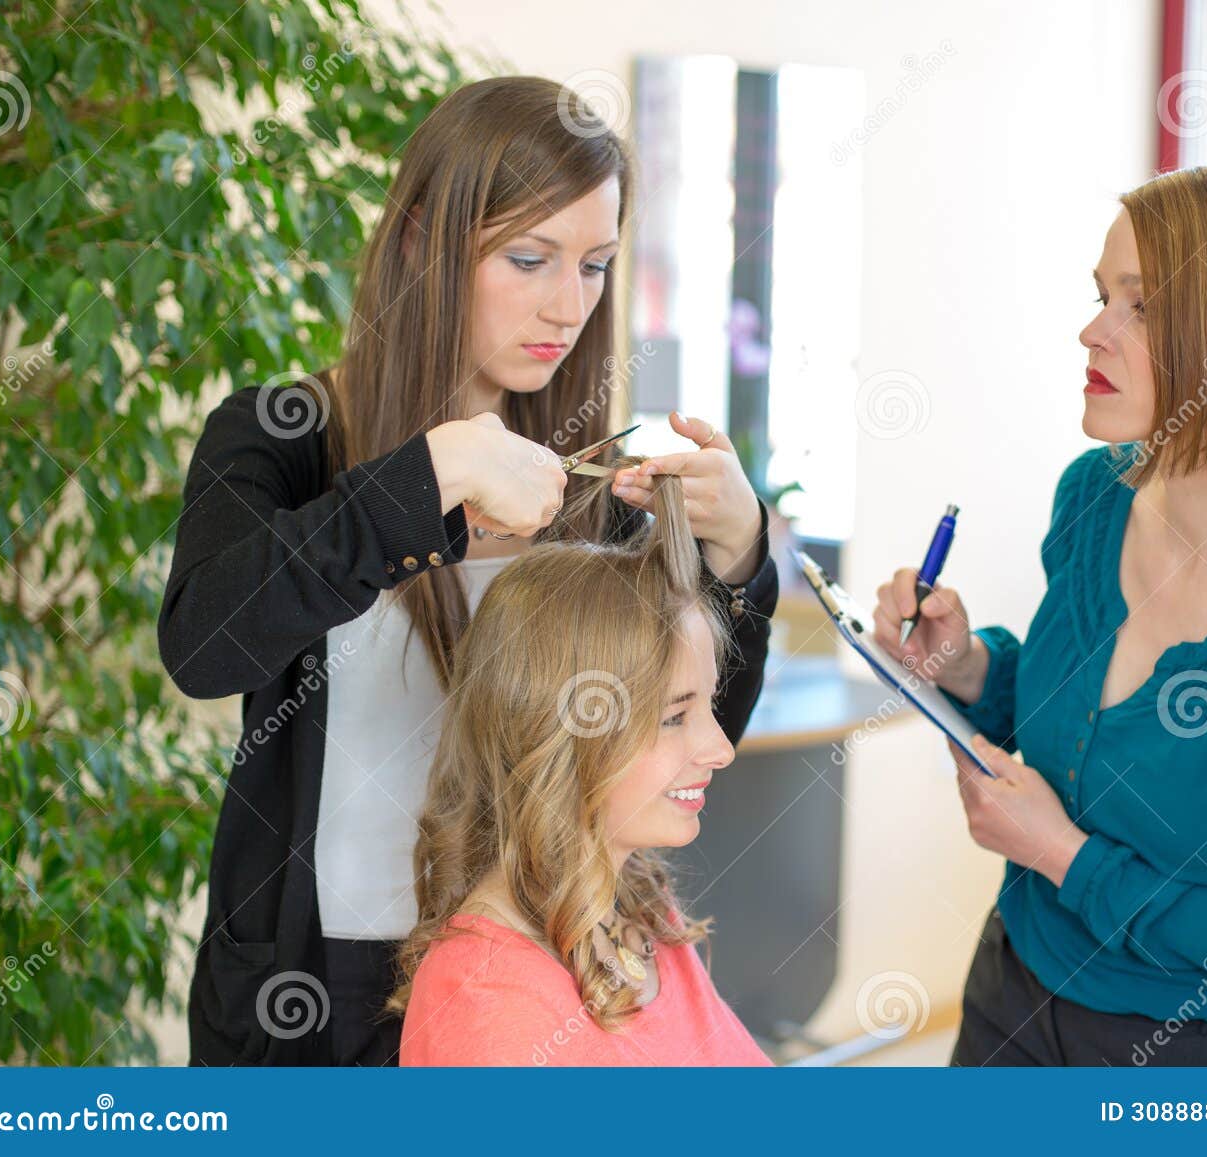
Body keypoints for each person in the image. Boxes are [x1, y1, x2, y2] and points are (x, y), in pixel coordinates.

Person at [158, 77, 776, 1066]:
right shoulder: (283, 436)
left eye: (595, 265)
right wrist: (432, 471)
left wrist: (742, 557)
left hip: (532, 981)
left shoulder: (596, 481)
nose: (567, 304)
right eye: (529, 259)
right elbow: (206, 642)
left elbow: (688, 738)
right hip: (312, 992)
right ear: (421, 244)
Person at [874, 167, 1207, 1067]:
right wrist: (968, 666)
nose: (1092, 331)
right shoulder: (1095, 496)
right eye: (1101, 297)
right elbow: (1072, 718)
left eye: (1143, 307)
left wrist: (1063, 856)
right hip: (1014, 989)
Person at [394, 466, 771, 1066]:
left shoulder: (640, 911)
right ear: (561, 734)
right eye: (674, 717)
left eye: (707, 704)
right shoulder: (485, 1001)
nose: (721, 750)